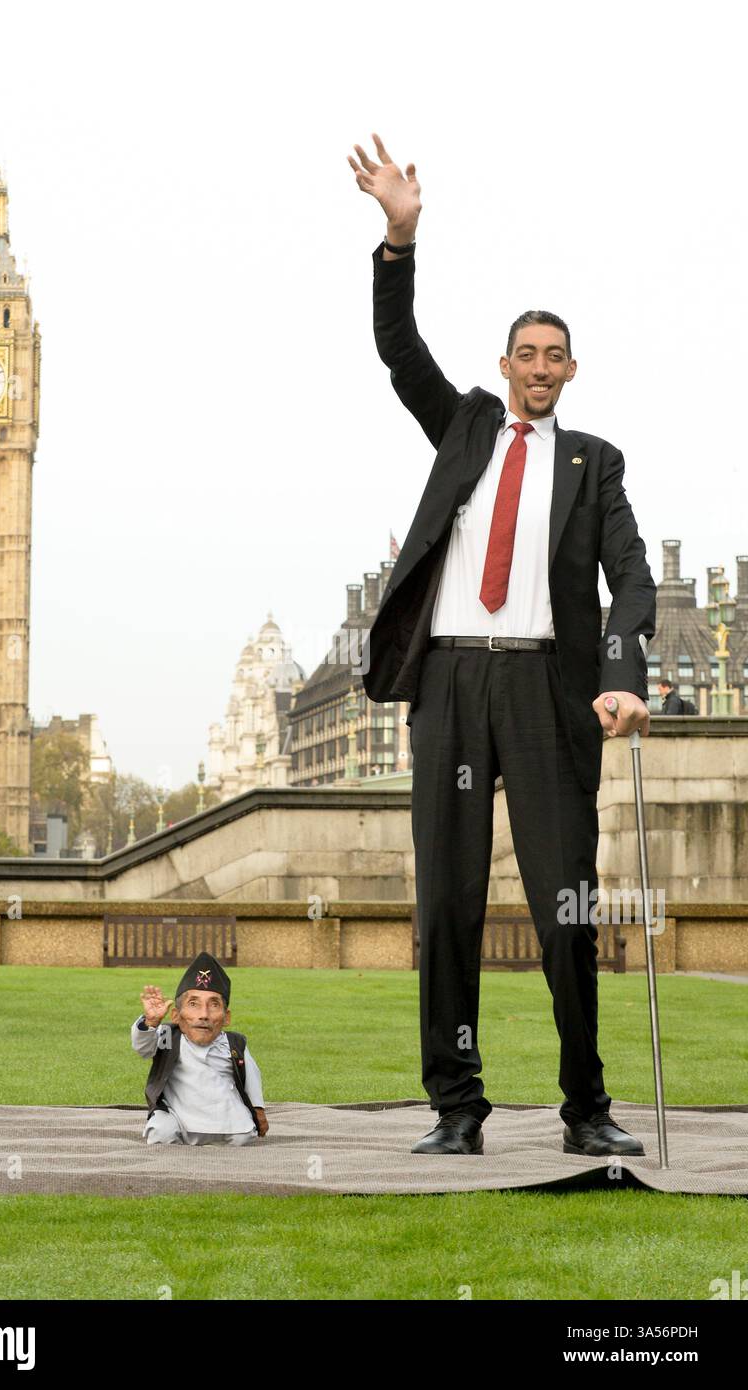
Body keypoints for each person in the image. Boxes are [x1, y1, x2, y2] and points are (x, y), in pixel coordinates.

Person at [348, 134, 656, 1159]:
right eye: (524, 353)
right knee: (449, 904)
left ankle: (586, 1106)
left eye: (553, 356)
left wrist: (622, 679)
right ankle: (458, 1108)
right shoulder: (465, 427)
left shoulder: (595, 462)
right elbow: (400, 352)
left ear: (571, 371)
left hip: (546, 692)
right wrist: (400, 239)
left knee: (569, 905)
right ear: (503, 366)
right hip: (449, 684)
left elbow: (633, 581)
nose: (537, 368)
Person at [131, 951, 268, 1146]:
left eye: (214, 1005)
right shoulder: (168, 1036)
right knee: (162, 1132)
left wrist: (258, 1110)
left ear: (226, 1017)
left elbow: (252, 1078)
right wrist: (150, 1023)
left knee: (243, 1137)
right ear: (176, 1015)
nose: (203, 1014)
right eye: (193, 1004)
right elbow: (143, 1048)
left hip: (224, 1116)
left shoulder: (235, 1044)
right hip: (178, 1115)